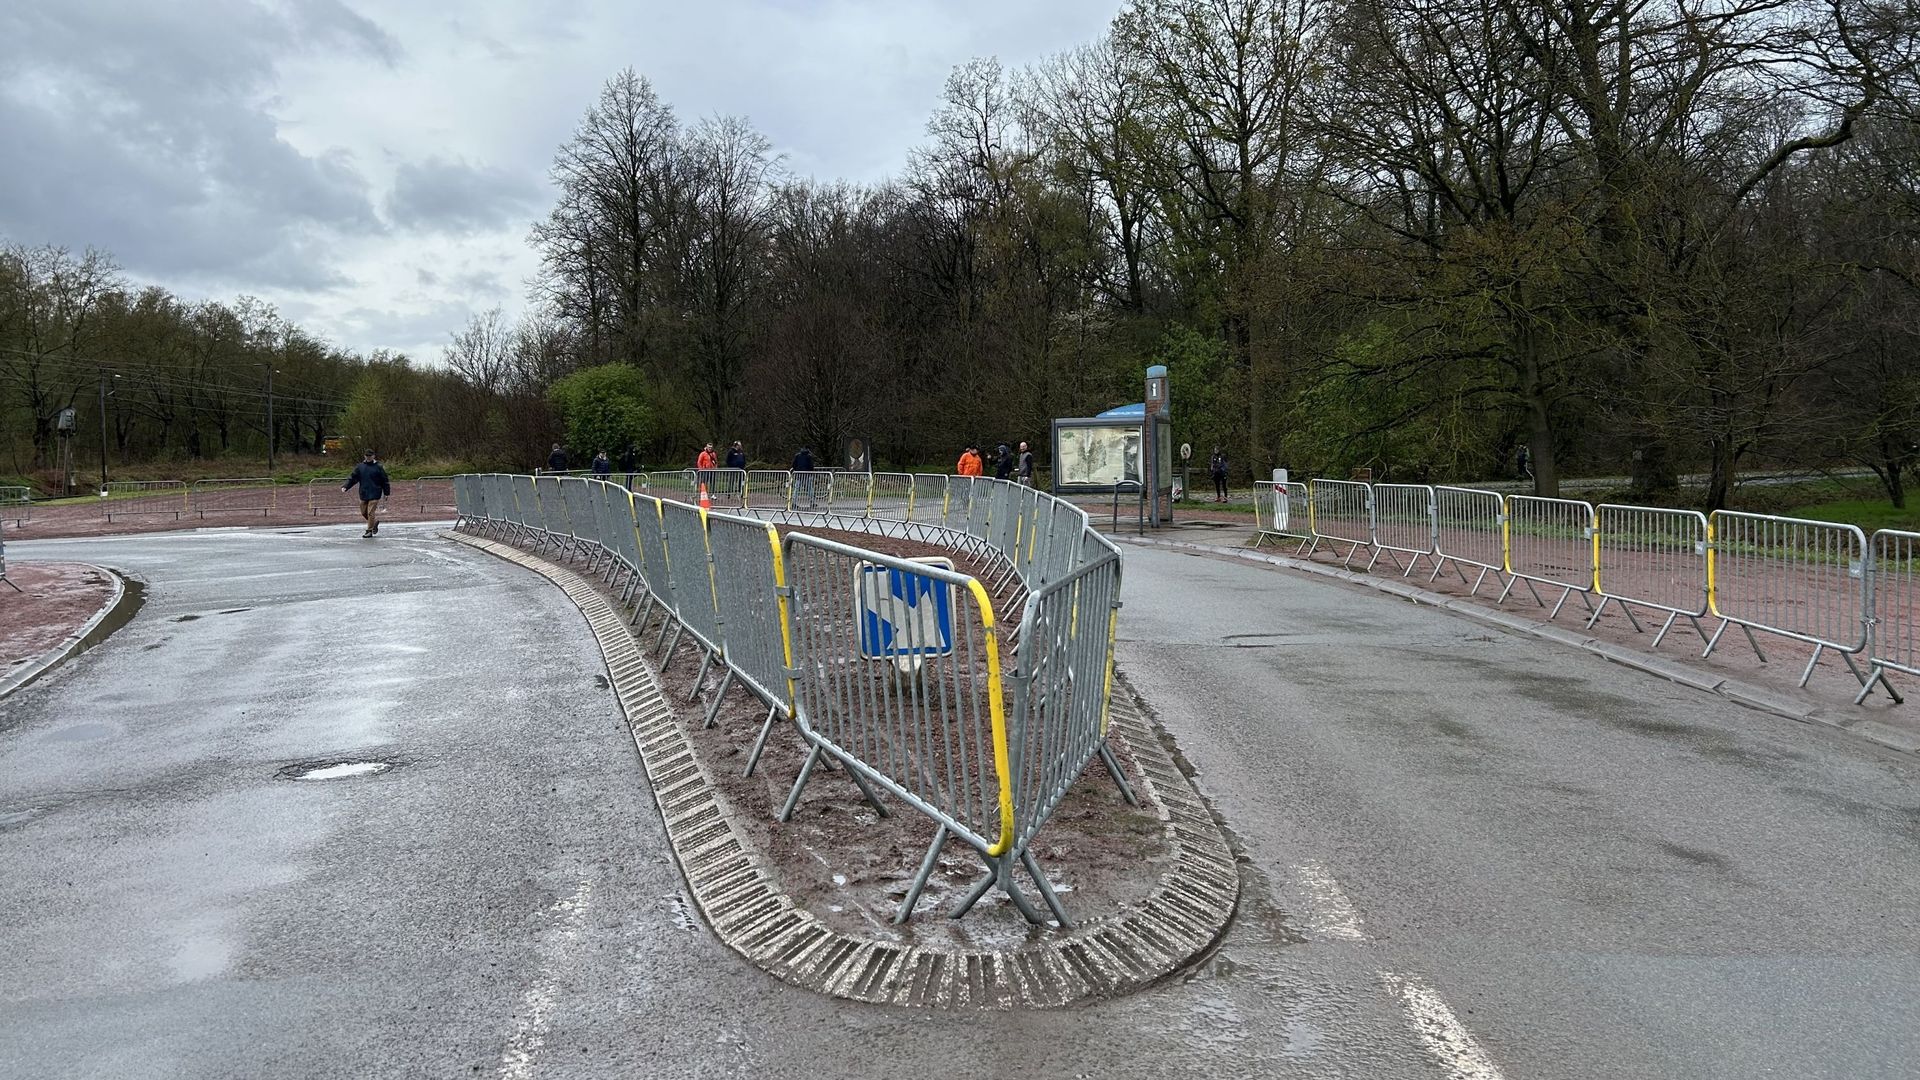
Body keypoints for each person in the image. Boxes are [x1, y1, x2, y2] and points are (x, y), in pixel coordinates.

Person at [343, 449, 391, 538]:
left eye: (370, 456)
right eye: (366, 456)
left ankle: (369, 531)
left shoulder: (379, 467)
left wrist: (386, 493)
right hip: (364, 493)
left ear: (373, 456)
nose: (368, 457)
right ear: (364, 456)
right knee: (363, 512)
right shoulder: (360, 467)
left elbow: (385, 480)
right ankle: (374, 522)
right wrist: (346, 486)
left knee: (370, 512)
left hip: (375, 493)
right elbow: (353, 478)